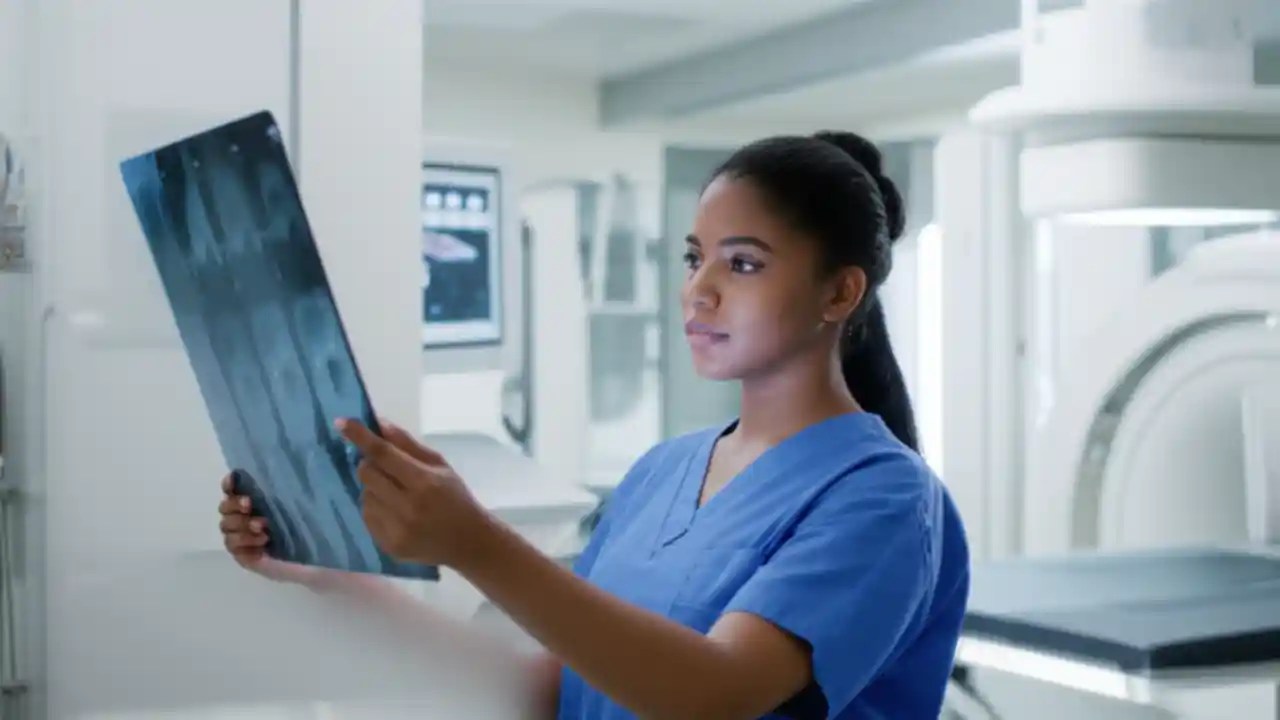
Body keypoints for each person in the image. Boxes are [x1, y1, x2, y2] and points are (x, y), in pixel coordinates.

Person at [219, 130, 970, 719]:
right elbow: (553, 695)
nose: (698, 291)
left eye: (742, 265)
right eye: (693, 257)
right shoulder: (661, 473)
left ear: (840, 292)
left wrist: (473, 542)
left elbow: (710, 697)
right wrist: (329, 574)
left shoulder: (883, 500)